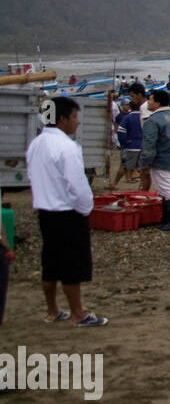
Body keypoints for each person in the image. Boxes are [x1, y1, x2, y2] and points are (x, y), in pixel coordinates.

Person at [25, 97, 105, 326]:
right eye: (74, 117)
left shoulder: (36, 144)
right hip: (67, 211)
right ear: (62, 119)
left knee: (49, 262)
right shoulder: (67, 147)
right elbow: (77, 186)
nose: (77, 122)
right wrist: (85, 209)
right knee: (71, 265)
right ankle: (78, 313)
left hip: (45, 211)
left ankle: (52, 310)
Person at [139, 89, 170, 230]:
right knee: (165, 190)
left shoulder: (152, 120)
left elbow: (149, 144)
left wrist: (144, 163)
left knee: (168, 191)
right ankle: (167, 220)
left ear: (157, 103)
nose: (148, 102)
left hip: (160, 159)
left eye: (150, 100)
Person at [110, 102, 143, 189]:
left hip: (131, 146)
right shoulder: (144, 117)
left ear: (130, 107)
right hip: (142, 146)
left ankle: (114, 184)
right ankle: (142, 186)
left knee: (123, 166)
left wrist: (124, 142)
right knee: (143, 168)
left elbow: (121, 131)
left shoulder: (127, 117)